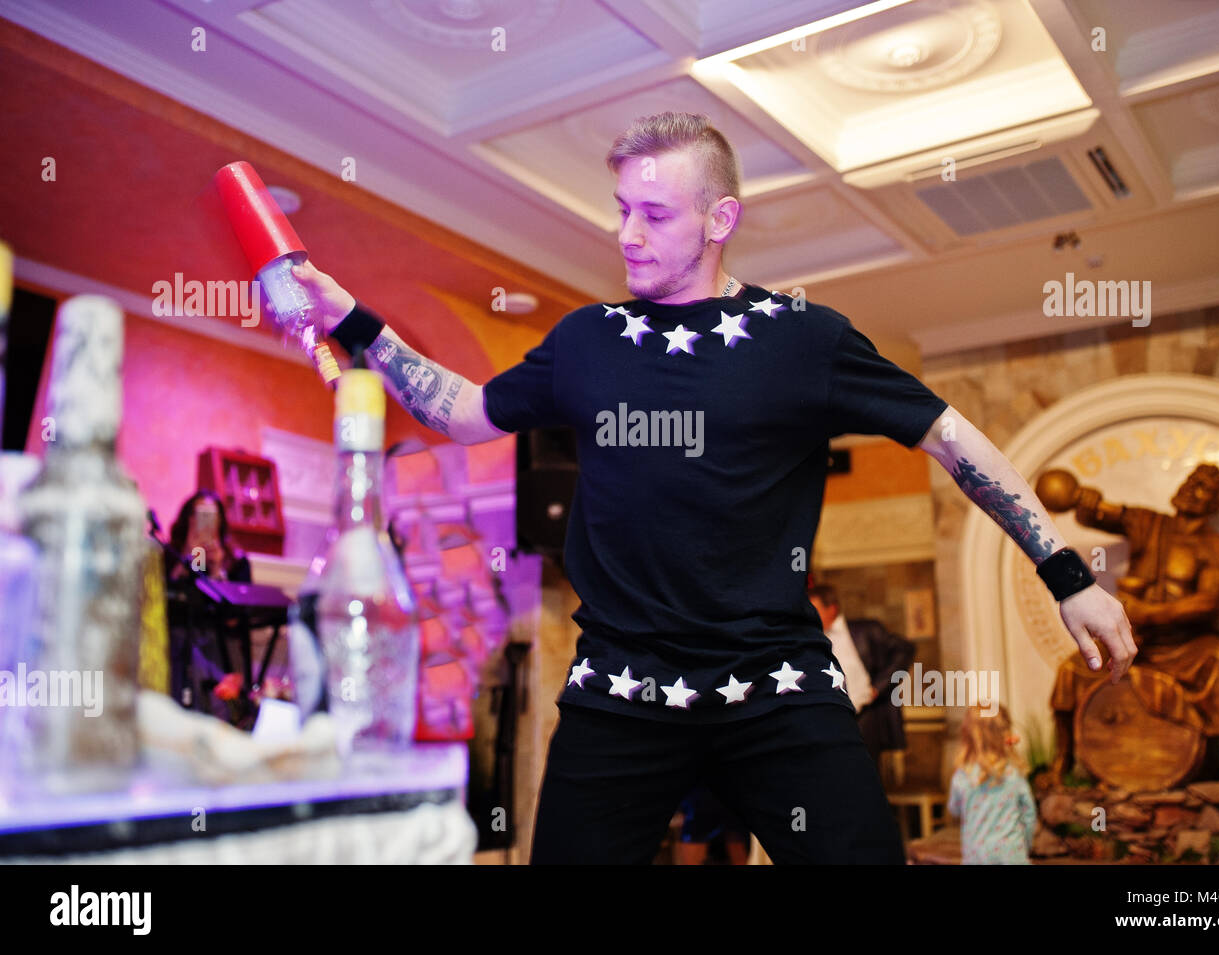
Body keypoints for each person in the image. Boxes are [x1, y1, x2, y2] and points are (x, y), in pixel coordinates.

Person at [279, 111, 1136, 864]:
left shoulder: (804, 340)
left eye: (654, 214)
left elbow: (949, 437)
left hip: (778, 686)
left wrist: (1064, 572)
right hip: (619, 690)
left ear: (721, 217)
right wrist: (351, 318)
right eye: (621, 209)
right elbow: (465, 411)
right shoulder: (586, 341)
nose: (627, 234)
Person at [808, 583, 915, 764]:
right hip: (829, 721)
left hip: (864, 718)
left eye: (814, 609)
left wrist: (877, 687)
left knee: (867, 774)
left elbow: (904, 649)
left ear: (832, 609)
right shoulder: (812, 639)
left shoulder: (867, 630)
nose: (810, 615)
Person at [947, 707, 1038, 864]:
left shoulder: (963, 776)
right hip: (1012, 855)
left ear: (967, 735)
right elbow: (1029, 813)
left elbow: (954, 809)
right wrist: (1026, 844)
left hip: (976, 857)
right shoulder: (1014, 773)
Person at [166, 490, 251, 583]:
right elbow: (170, 591)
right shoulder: (170, 553)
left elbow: (240, 596)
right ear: (189, 518)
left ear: (220, 520)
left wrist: (216, 570)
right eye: (200, 514)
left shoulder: (237, 561)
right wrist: (188, 558)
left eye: (211, 515)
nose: (206, 522)